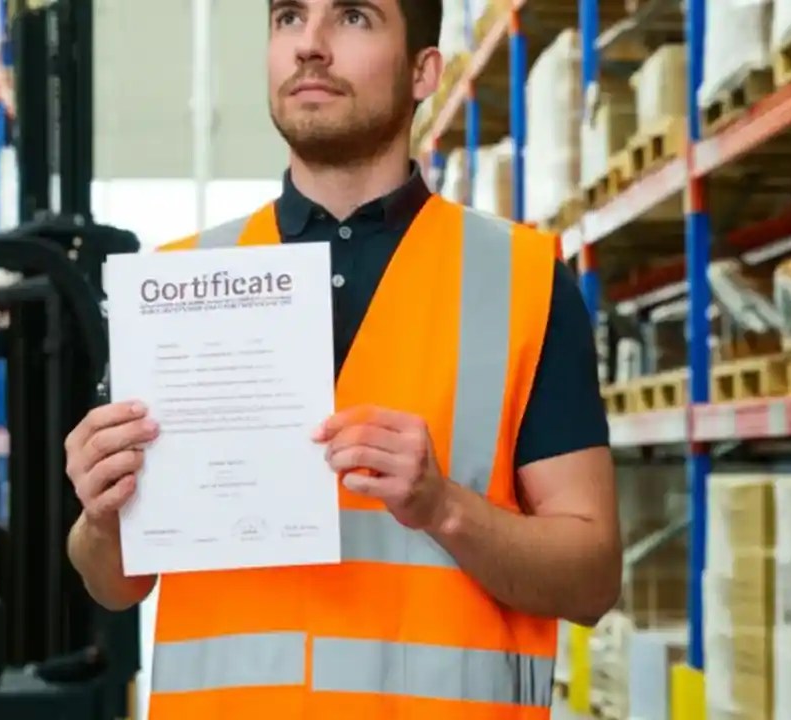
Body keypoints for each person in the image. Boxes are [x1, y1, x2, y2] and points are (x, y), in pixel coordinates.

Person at [65, 0, 620, 716]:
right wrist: (101, 517)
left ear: (424, 71)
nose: (310, 46)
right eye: (289, 18)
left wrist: (443, 506)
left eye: (353, 18)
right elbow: (113, 583)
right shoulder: (177, 287)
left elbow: (591, 580)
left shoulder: (521, 279)